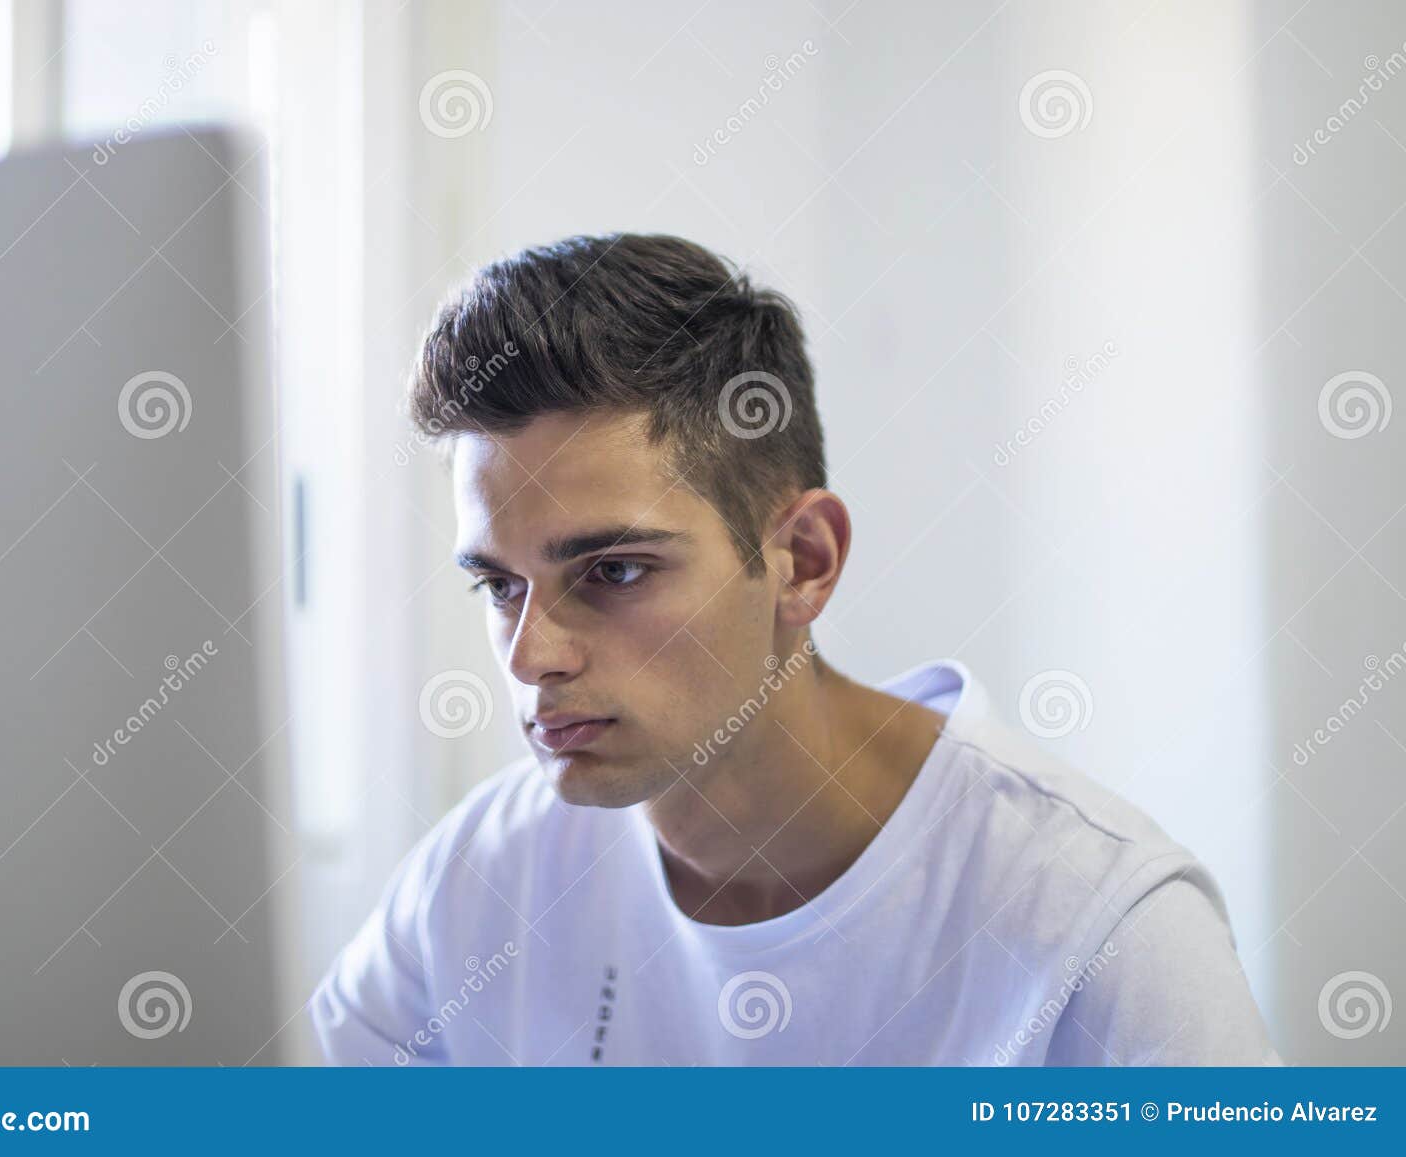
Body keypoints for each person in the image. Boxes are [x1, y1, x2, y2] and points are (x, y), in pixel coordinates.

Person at [310, 233, 1278, 1066]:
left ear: (802, 561)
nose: (531, 657)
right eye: (498, 584)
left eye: (611, 571)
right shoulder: (479, 883)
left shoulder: (1101, 930)